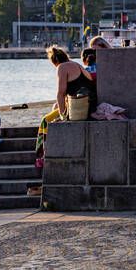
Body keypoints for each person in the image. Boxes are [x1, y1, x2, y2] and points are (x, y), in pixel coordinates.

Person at [27, 47, 97, 197]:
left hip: (78, 109)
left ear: (54, 61)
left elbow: (61, 92)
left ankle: (41, 156)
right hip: (89, 105)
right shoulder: (76, 65)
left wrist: (62, 114)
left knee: (45, 121)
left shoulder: (62, 67)